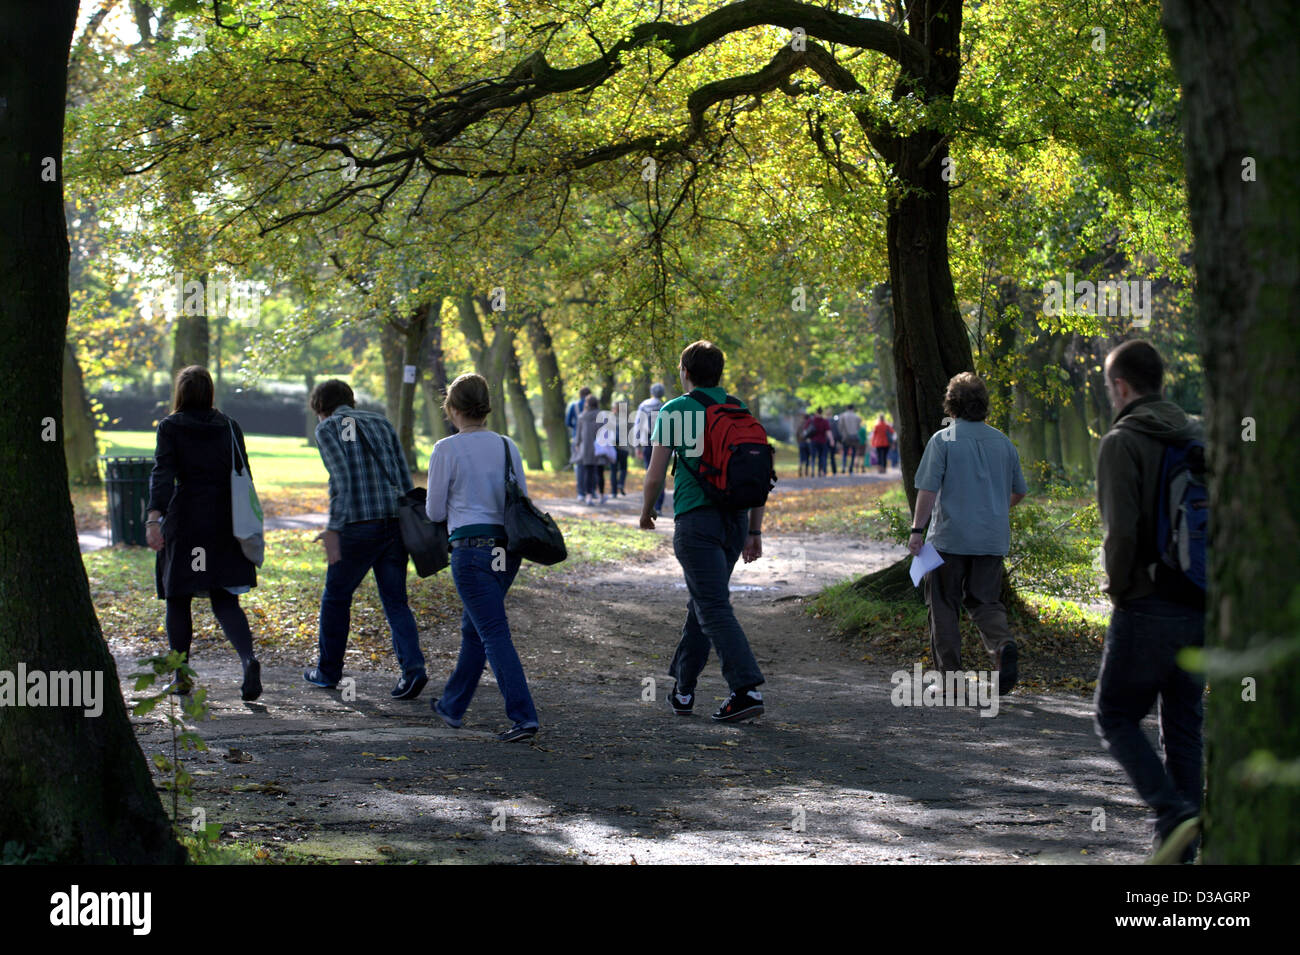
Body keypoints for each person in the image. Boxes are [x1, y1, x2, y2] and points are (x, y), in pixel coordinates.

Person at [1093, 340, 1206, 862]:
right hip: (1198, 599)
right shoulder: (1197, 435)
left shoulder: (1123, 440)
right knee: (1183, 725)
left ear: (1122, 386)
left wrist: (1119, 589)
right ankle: (1182, 851)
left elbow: (1120, 533)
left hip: (1147, 601)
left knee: (1115, 714)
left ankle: (1171, 810)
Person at [640, 340, 766, 723]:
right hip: (735, 522)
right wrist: (754, 530)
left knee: (711, 605)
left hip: (697, 522)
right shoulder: (739, 410)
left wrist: (647, 513)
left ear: (686, 372)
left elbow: (655, 474)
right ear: (719, 373)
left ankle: (745, 689)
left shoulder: (675, 410)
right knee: (703, 603)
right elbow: (757, 474)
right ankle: (683, 689)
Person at [425, 374, 539, 742]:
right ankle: (452, 705)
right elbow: (520, 497)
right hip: (505, 552)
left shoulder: (446, 449)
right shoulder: (507, 446)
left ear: (452, 408)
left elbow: (434, 511)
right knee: (475, 628)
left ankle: (523, 716)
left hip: (471, 550)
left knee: (491, 630)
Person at [303, 380, 428, 700]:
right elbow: (403, 475)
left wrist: (333, 528)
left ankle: (327, 671)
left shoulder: (328, 428)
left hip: (357, 528)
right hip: (394, 524)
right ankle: (413, 670)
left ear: (320, 406)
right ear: (349, 400)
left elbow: (341, 480)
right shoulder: (381, 422)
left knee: (336, 597)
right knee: (396, 601)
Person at [146, 366, 262, 701]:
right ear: (210, 391)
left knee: (178, 598)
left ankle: (181, 677)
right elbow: (244, 473)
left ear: (180, 392)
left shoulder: (170, 426)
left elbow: (163, 473)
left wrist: (154, 517)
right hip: (225, 520)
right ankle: (248, 659)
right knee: (225, 599)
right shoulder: (229, 425)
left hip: (187, 520)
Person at [908, 373, 1027, 690]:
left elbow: (927, 490)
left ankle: (949, 680)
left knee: (944, 604)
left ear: (951, 405)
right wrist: (992, 509)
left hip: (950, 539)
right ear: (983, 405)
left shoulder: (943, 440)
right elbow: (1019, 492)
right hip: (991, 539)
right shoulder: (1003, 442)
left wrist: (917, 530)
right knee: (985, 602)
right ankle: (1002, 646)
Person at [637, 384, 667, 514]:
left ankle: (649, 505)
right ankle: (658, 505)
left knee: (648, 472)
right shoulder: (664, 406)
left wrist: (637, 445)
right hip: (660, 442)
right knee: (661, 473)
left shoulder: (643, 406)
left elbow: (638, 425)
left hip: (647, 442)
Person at [574, 393, 603, 505]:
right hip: (598, 447)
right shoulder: (601, 415)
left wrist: (577, 444)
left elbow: (578, 433)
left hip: (585, 447)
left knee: (587, 471)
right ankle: (597, 493)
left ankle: (588, 496)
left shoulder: (582, 416)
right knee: (596, 471)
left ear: (587, 404)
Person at [565, 386, 591, 500]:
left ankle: (580, 493)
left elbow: (568, 422)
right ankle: (590, 491)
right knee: (590, 465)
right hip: (590, 438)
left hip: (577, 438)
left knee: (579, 465)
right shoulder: (592, 406)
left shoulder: (573, 406)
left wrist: (576, 428)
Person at [838, 404, 862, 474]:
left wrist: (842, 434)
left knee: (845, 453)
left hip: (846, 437)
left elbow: (840, 427)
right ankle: (851, 468)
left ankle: (844, 467)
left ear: (846, 408)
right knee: (853, 453)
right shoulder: (857, 417)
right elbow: (859, 428)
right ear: (853, 408)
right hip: (854, 437)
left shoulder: (843, 416)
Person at [808, 407, 831, 476]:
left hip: (813, 441)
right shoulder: (824, 421)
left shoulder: (811, 420)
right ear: (822, 412)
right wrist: (832, 440)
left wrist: (807, 438)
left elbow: (806, 430)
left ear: (816, 412)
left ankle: (812, 470)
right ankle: (821, 471)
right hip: (822, 441)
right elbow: (828, 431)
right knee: (822, 456)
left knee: (813, 456)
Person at [798, 412, 814, 477]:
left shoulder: (800, 424)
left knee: (801, 457)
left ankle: (800, 466)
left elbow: (797, 433)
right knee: (807, 457)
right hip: (808, 443)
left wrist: (799, 441)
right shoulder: (809, 424)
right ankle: (806, 471)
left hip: (801, 442)